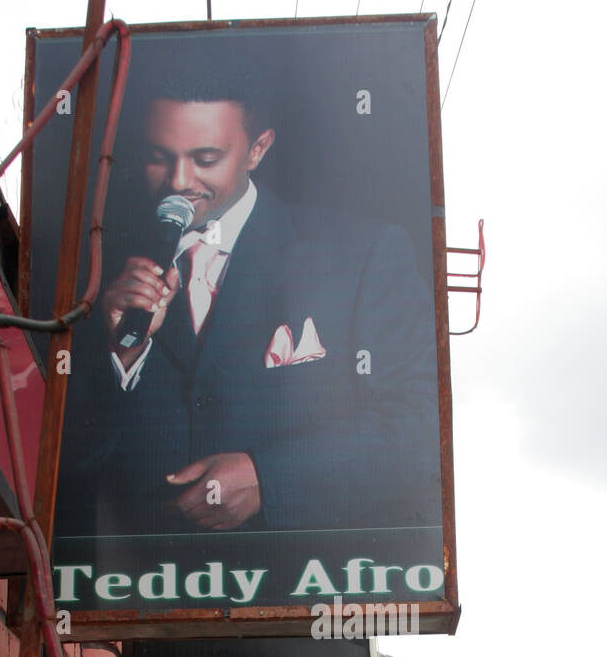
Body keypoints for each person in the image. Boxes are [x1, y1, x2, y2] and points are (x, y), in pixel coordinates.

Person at [56, 59, 440, 541]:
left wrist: (269, 480)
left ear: (258, 149)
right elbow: (51, 464)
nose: (178, 181)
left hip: (308, 590)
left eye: (206, 158)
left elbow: (419, 428)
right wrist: (120, 353)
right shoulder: (87, 271)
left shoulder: (364, 254)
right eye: (160, 156)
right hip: (132, 592)